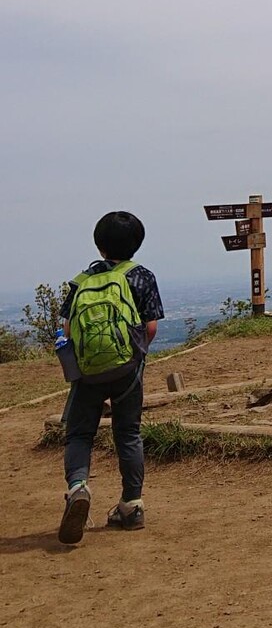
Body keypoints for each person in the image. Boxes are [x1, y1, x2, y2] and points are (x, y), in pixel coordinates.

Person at [57, 211, 163, 548]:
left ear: (99, 246)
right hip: (128, 369)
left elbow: (68, 329)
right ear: (137, 244)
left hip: (87, 373)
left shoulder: (81, 280)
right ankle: (131, 506)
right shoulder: (141, 276)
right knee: (128, 433)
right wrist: (134, 356)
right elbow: (150, 327)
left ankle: (78, 487)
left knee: (79, 433)